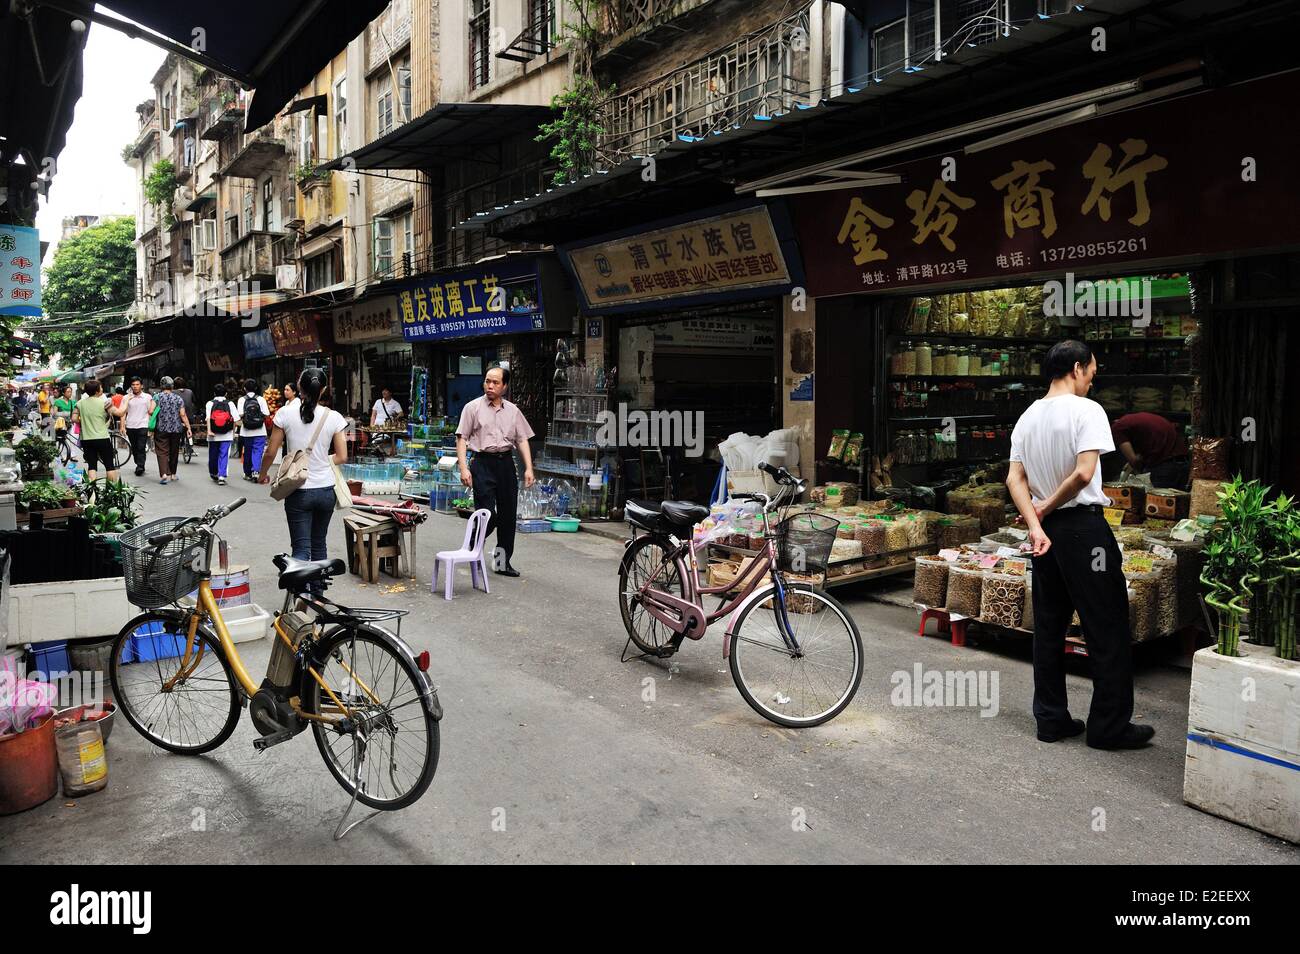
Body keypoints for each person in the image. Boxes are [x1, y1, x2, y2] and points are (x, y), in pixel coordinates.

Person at [1006, 340, 1154, 751]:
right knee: (1106, 625)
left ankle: (1051, 720)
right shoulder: (1088, 411)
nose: (1093, 378)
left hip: (1048, 534)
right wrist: (1048, 508)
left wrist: (1036, 523)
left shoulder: (1028, 416)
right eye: (1092, 370)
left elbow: (1013, 479)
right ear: (1076, 368)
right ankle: (1109, 727)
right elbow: (1085, 473)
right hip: (1083, 531)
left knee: (1049, 627)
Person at [258, 368, 348, 575]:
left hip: (298, 490)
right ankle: (316, 598)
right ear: (323, 389)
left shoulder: (284, 414)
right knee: (319, 546)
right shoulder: (334, 417)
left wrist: (262, 475)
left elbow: (271, 452)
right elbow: (342, 457)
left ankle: (299, 600)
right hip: (326, 490)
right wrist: (319, 461)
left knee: (300, 549)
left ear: (299, 387)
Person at [455, 365, 535, 577]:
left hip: (506, 464)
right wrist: (464, 468)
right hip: (482, 463)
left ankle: (502, 562)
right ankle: (472, 545)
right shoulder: (472, 408)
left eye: (495, 382)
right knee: (487, 514)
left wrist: (529, 468)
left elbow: (522, 439)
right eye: (487, 381)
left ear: (504, 386)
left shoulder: (513, 411)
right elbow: (462, 438)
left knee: (508, 516)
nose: (490, 386)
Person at [1106, 412, 1190, 489]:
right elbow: (1150, 443)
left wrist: (1136, 471)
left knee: (1158, 503)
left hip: (1165, 467)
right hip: (1184, 463)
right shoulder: (1130, 421)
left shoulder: (1117, 429)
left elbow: (1134, 460)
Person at [72, 379, 122, 484]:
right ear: (97, 390)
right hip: (102, 438)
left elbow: (74, 419)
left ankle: (92, 493)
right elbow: (119, 413)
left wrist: (84, 421)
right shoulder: (105, 402)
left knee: (92, 466)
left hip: (87, 439)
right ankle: (112, 491)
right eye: (101, 387)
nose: (102, 389)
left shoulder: (79, 403)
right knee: (109, 465)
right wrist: (126, 401)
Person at [152, 376, 191, 484]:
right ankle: (173, 474)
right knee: (174, 451)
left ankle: (164, 474)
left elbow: (151, 411)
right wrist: (188, 427)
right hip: (176, 429)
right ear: (172, 386)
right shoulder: (178, 398)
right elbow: (183, 414)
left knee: (162, 451)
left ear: (161, 386)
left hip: (161, 428)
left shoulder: (157, 397)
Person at [236, 379, 270, 482]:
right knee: (258, 451)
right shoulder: (261, 399)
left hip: (246, 431)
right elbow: (267, 414)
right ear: (256, 388)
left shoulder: (242, 400)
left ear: (245, 388)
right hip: (260, 430)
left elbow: (240, 414)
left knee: (247, 452)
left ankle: (247, 473)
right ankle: (256, 471)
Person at [121, 377, 154, 476]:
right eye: (133, 385)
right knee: (134, 448)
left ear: (141, 386)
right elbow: (123, 413)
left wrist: (151, 427)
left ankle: (140, 466)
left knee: (141, 446)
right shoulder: (126, 398)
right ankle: (138, 462)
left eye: (137, 384)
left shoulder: (147, 397)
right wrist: (122, 426)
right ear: (131, 386)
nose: (135, 387)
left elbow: (150, 412)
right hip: (130, 426)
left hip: (143, 425)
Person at [206, 383, 236, 485]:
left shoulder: (210, 403)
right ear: (226, 393)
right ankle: (222, 476)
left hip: (213, 435)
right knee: (224, 455)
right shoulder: (230, 404)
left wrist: (209, 431)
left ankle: (214, 473)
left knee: (213, 455)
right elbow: (235, 419)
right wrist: (233, 432)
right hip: (227, 434)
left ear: (214, 393)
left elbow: (208, 419)